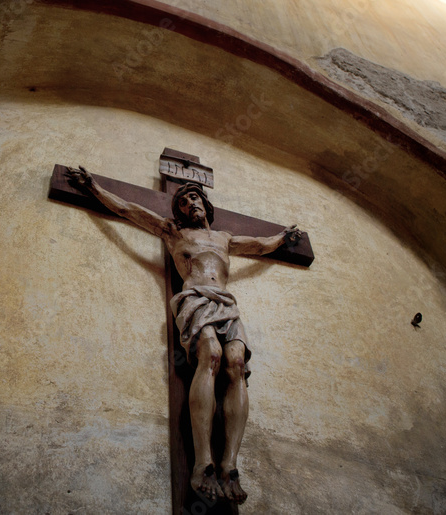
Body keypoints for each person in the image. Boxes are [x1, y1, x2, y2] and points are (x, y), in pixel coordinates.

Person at [66, 167, 301, 504]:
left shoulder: (225, 239)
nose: (191, 203)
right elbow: (126, 209)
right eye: (184, 201)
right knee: (213, 356)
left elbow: (263, 246)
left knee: (236, 364)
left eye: (195, 198)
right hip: (195, 299)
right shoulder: (172, 232)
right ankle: (202, 461)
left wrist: (284, 238)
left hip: (228, 305)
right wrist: (93, 187)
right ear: (177, 211)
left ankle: (229, 465)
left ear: (205, 204)